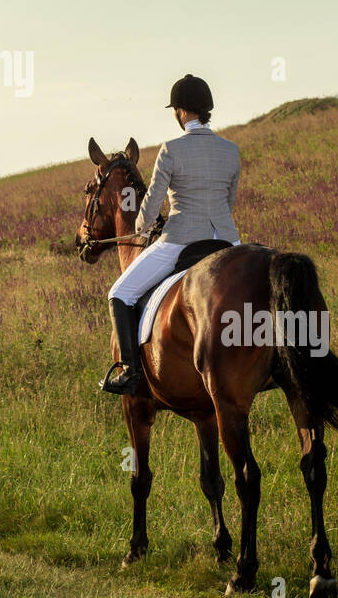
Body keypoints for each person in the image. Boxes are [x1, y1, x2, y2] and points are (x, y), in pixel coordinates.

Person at [103, 75, 241, 396]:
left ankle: (130, 372)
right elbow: (227, 202)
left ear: (179, 111)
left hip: (180, 239)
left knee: (120, 294)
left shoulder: (171, 149)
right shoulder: (230, 150)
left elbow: (151, 205)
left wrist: (142, 227)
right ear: (206, 109)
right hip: (228, 241)